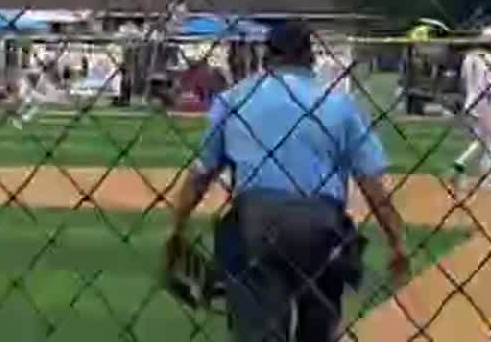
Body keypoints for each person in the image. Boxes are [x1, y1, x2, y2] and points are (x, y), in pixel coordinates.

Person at [164, 19, 411, 342]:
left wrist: (177, 228)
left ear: (267, 56)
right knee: (318, 329)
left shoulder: (235, 99)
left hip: (256, 225)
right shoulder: (339, 104)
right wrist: (397, 242)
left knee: (261, 330)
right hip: (322, 228)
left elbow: (201, 175)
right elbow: (372, 184)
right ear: (311, 57)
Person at [451, 26, 491, 193]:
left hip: (471, 100)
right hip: (487, 102)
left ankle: (459, 164)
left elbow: (463, 79)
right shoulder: (490, 59)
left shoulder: (469, 57)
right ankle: (487, 179)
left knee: (481, 139)